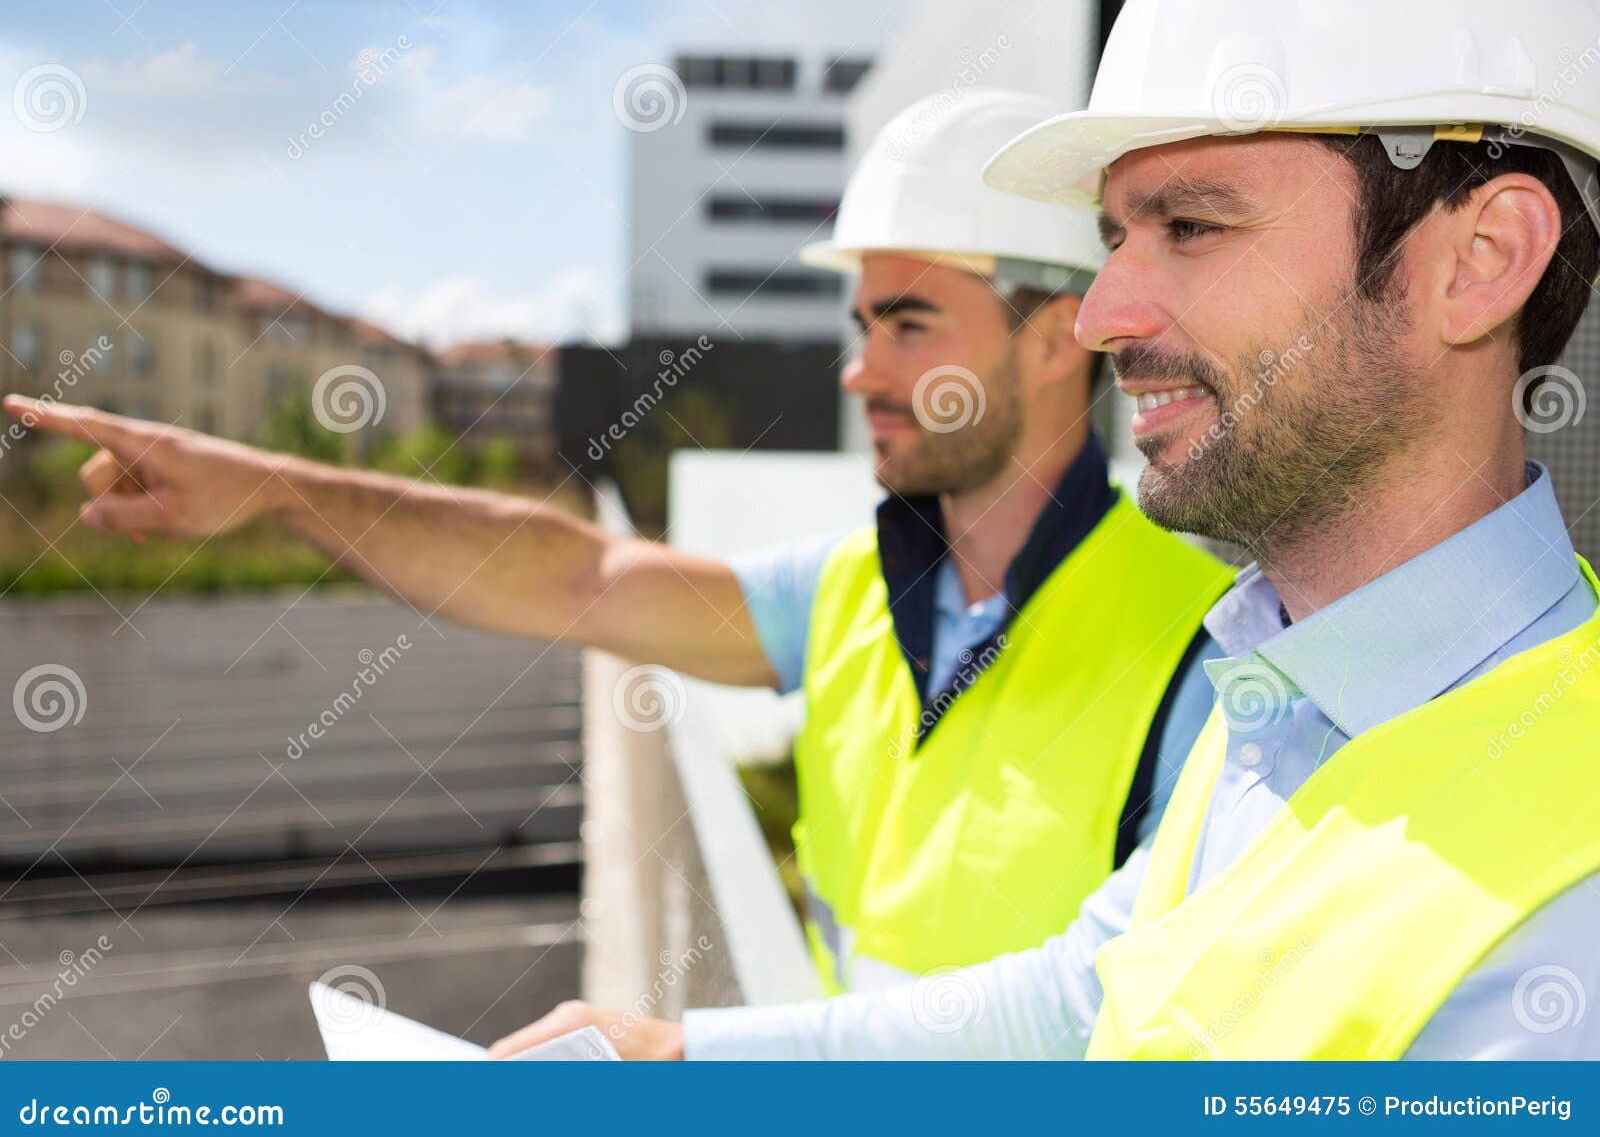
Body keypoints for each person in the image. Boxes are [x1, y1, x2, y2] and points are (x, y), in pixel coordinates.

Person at [489, 0, 1600, 1060]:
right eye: (1118, 235)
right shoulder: (1286, 675)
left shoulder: (1565, 913)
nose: (1102, 312)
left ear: (1482, 258)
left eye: (1193, 225)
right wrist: (679, 1058)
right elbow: (1091, 991)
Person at [4, 90, 1230, 1003]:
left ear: (1058, 338)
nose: (861, 369)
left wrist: (694, 1050)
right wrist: (274, 486)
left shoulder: (1219, 638)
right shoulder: (851, 588)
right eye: (861, 323)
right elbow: (579, 572)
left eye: (910, 323)